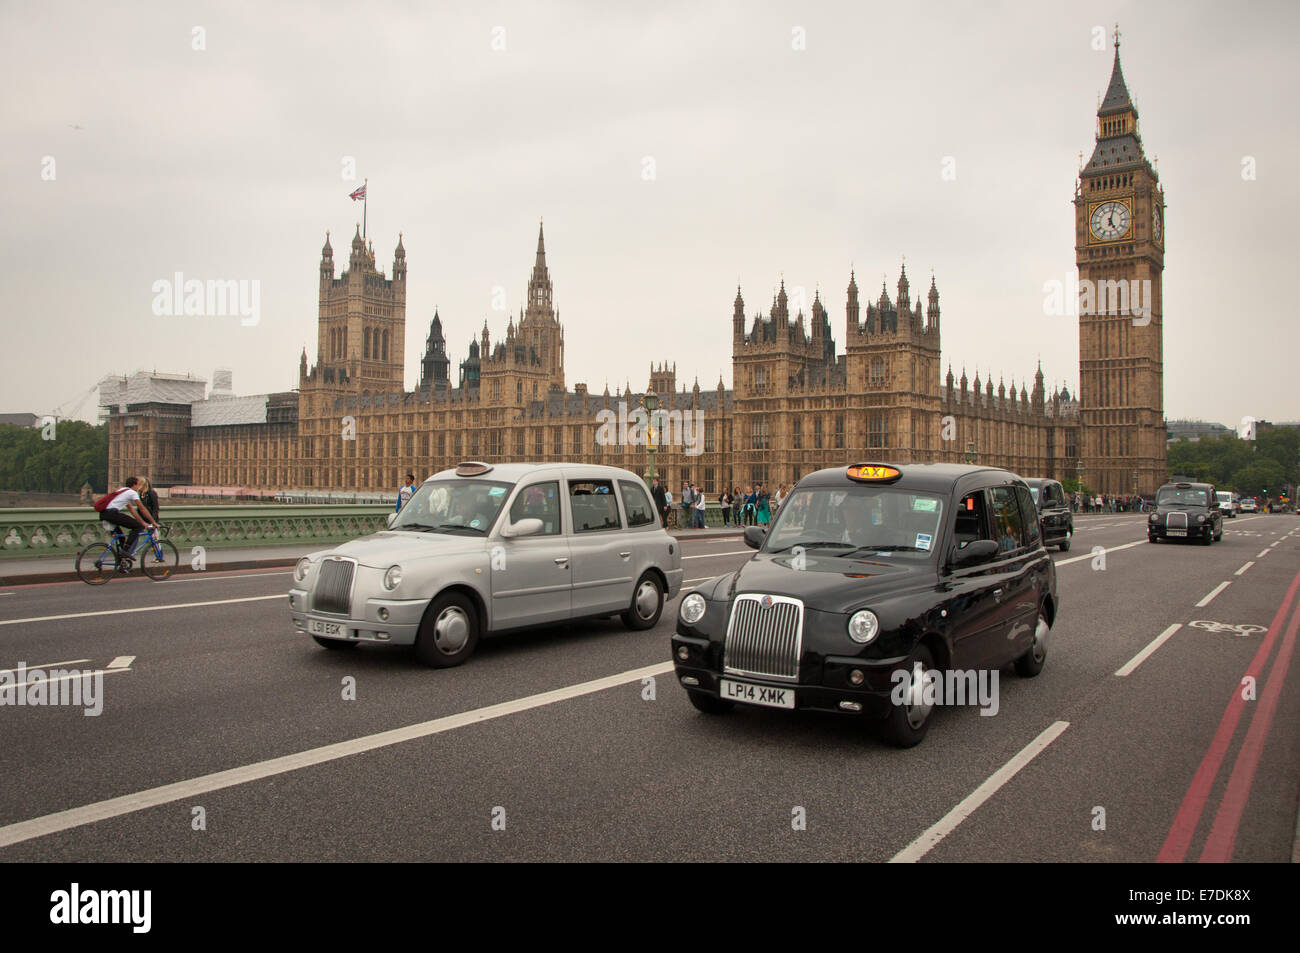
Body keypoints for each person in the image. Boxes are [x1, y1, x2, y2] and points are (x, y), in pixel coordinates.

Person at [101, 476, 159, 559]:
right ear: (134, 485)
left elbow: (132, 509)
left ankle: (121, 562)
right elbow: (142, 509)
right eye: (138, 485)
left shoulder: (122, 490)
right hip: (112, 514)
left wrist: (142, 522)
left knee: (121, 537)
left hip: (104, 514)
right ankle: (125, 552)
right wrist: (152, 522)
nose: (139, 487)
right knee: (138, 526)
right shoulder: (132, 493)